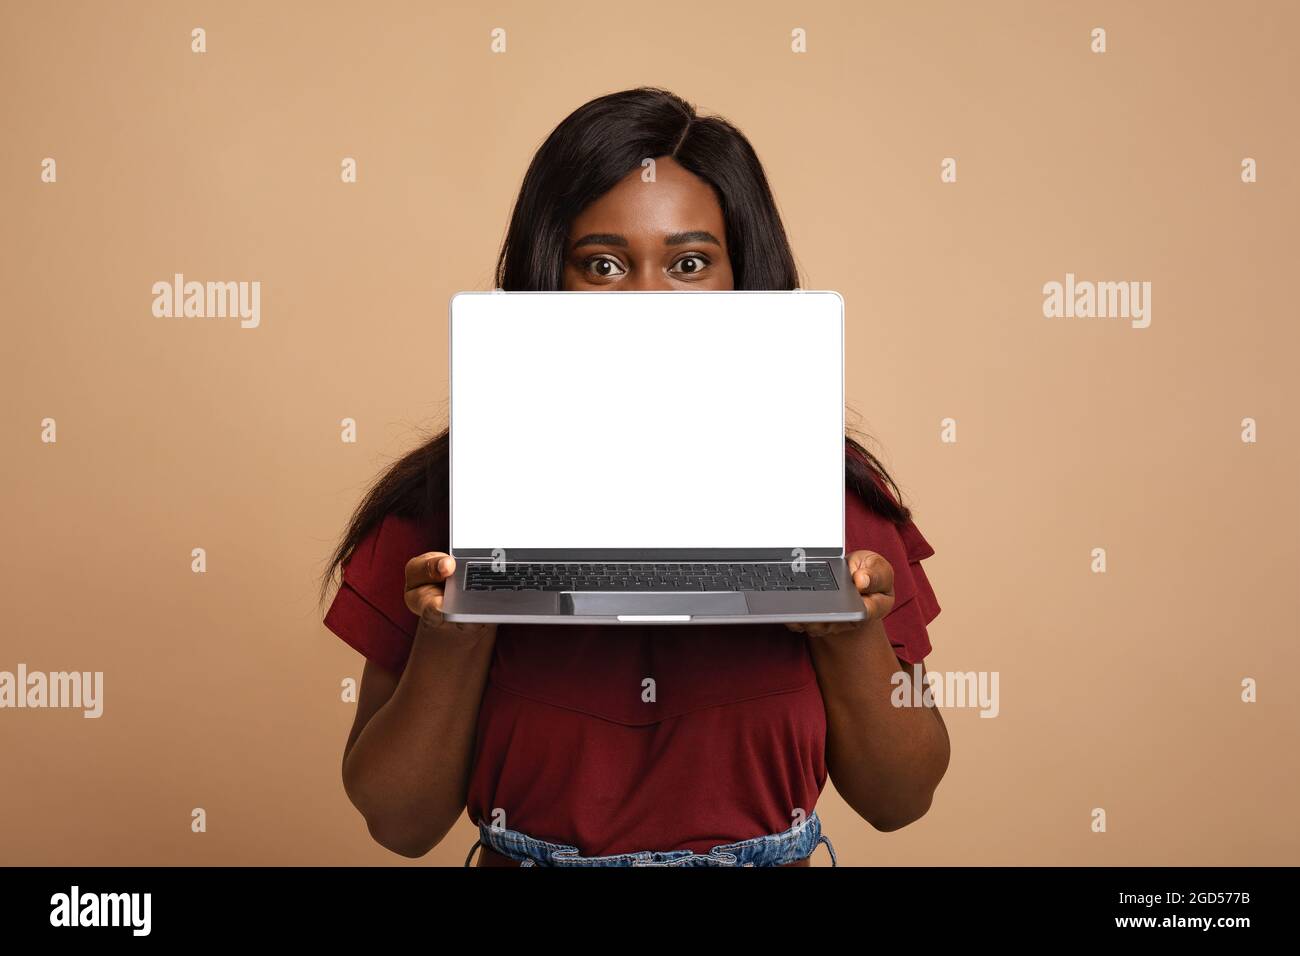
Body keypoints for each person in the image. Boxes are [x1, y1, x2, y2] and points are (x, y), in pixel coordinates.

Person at [320, 87, 949, 867]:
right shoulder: (439, 511)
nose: (650, 300)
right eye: (604, 264)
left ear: (740, 277)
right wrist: (455, 632)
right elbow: (398, 822)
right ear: (551, 277)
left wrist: (849, 632)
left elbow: (902, 799)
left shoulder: (835, 504)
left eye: (689, 262)